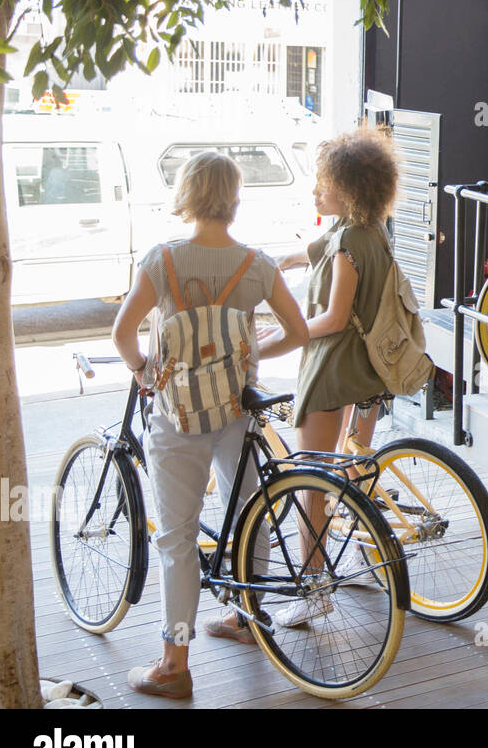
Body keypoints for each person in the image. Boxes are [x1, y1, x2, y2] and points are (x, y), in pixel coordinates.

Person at [112, 151, 309, 699]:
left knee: (177, 539)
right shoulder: (257, 264)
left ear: (187, 194)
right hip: (236, 410)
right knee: (249, 513)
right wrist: (249, 355)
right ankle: (248, 619)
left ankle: (174, 663)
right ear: (233, 197)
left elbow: (123, 333)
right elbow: (298, 332)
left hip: (176, 415)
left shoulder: (162, 262)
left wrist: (143, 372)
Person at [273, 128, 399, 628]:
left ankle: (313, 590)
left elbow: (333, 318)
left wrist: (275, 338)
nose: (314, 192)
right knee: (354, 469)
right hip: (371, 370)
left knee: (311, 485)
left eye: (322, 184)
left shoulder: (345, 242)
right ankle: (368, 551)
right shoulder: (371, 231)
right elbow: (323, 247)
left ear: (346, 190)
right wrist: (284, 259)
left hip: (332, 369)